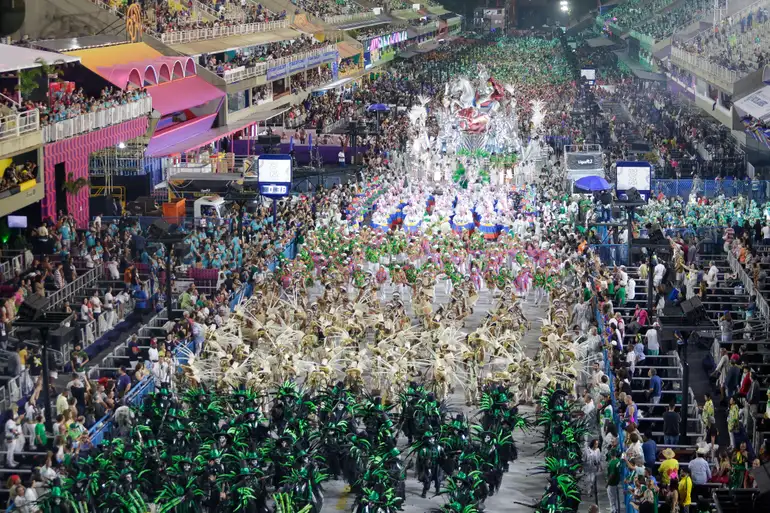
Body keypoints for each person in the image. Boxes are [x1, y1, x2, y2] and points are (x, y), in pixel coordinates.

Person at [606, 449, 622, 513]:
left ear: (611, 454)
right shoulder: (618, 461)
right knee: (614, 496)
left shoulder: (612, 463)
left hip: (612, 482)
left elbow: (612, 474)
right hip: (616, 481)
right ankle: (614, 508)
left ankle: (613, 510)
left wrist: (607, 483)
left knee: (611, 496)